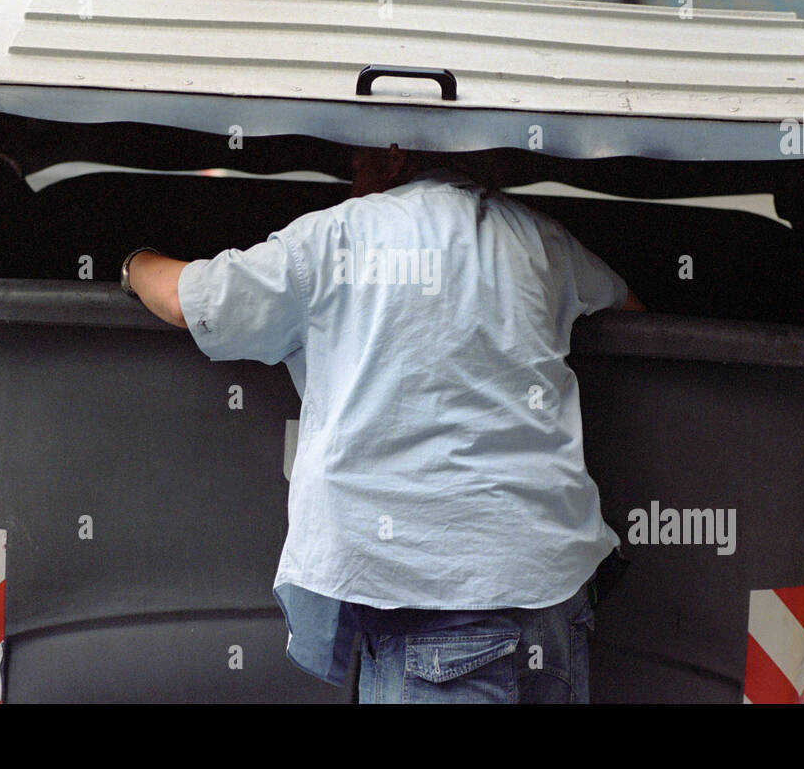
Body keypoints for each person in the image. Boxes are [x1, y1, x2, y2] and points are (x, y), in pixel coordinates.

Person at [122, 145, 644, 703]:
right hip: (553, 605)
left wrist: (133, 262)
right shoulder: (539, 238)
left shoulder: (334, 239)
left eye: (358, 152)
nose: (350, 167)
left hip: (437, 612)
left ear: (395, 155)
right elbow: (632, 315)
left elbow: (189, 300)